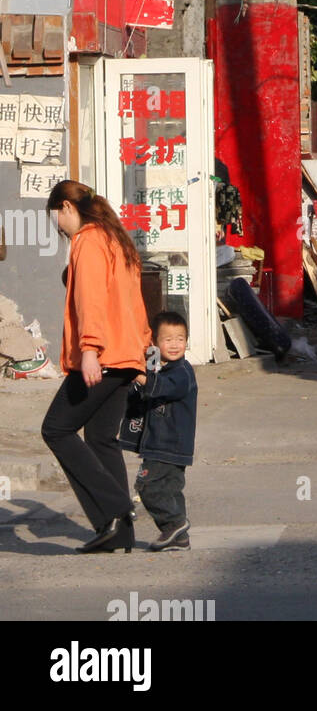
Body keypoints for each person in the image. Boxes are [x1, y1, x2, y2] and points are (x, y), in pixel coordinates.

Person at [41, 179, 151, 554]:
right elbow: (135, 300)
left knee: (56, 429)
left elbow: (92, 300)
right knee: (101, 438)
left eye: (56, 217)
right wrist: (141, 351)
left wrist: (89, 349)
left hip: (101, 357)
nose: (58, 227)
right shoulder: (116, 238)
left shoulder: (88, 240)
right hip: (124, 356)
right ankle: (117, 531)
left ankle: (117, 508)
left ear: (67, 209)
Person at [127, 311, 197, 551]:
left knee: (147, 486)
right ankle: (179, 537)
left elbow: (164, 389)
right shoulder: (158, 368)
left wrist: (140, 377)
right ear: (155, 343)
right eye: (168, 339)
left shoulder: (182, 372)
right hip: (164, 444)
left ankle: (173, 523)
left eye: (180, 338)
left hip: (168, 444)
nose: (175, 344)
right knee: (171, 489)